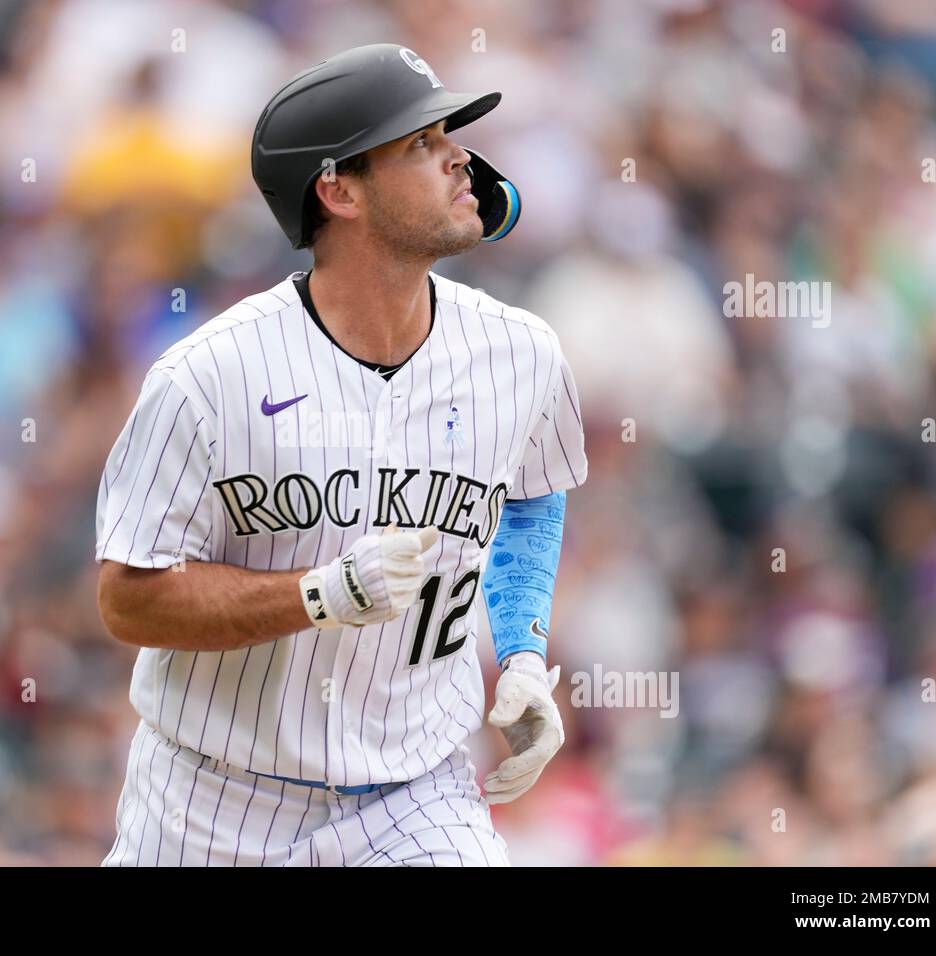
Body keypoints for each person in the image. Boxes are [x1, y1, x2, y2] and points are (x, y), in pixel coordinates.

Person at [95, 43, 587, 866]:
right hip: (210, 803)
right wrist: (318, 595)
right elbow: (129, 599)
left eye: (448, 136)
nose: (461, 156)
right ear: (339, 188)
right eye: (421, 144)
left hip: (416, 799)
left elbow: (534, 496)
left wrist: (526, 656)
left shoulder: (523, 354)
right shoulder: (207, 377)